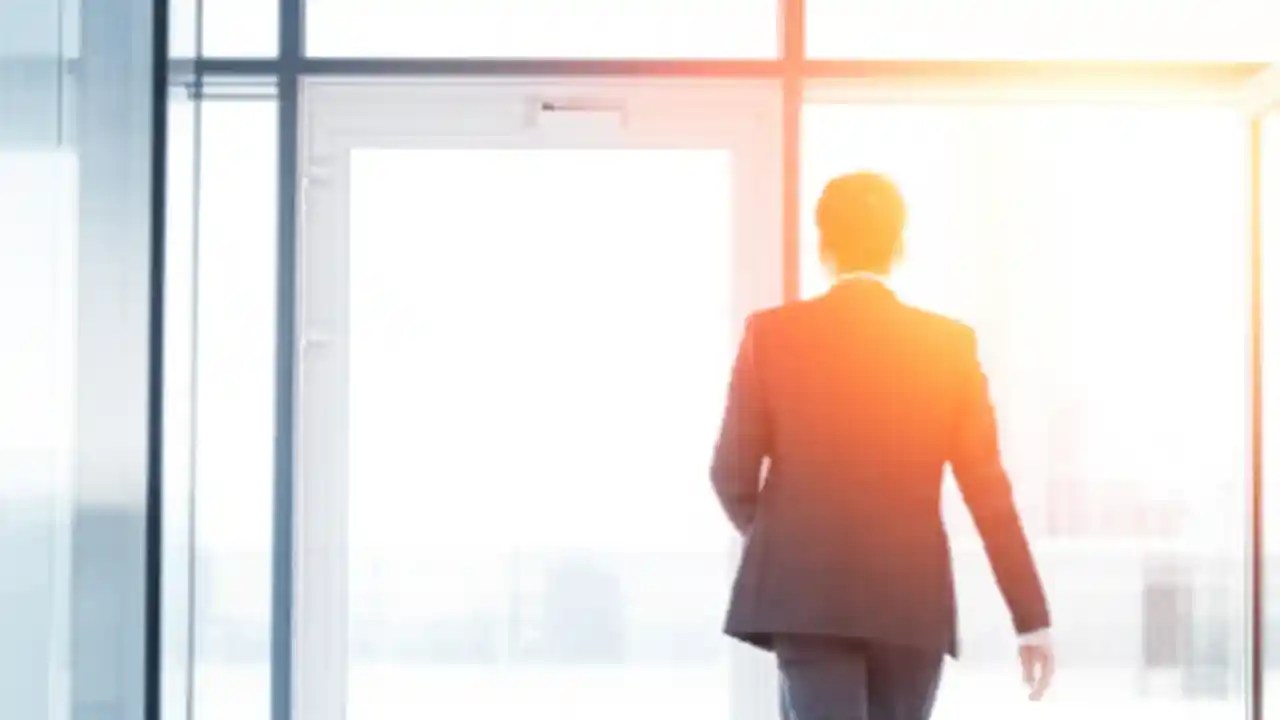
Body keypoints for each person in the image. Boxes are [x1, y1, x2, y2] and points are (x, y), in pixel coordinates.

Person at [711, 172, 1053, 719]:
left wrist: (793, 545)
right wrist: (1030, 616)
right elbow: (988, 492)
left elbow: (729, 475)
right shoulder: (948, 346)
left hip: (807, 599)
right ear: (899, 245)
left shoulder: (771, 335)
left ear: (822, 244)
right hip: (909, 599)